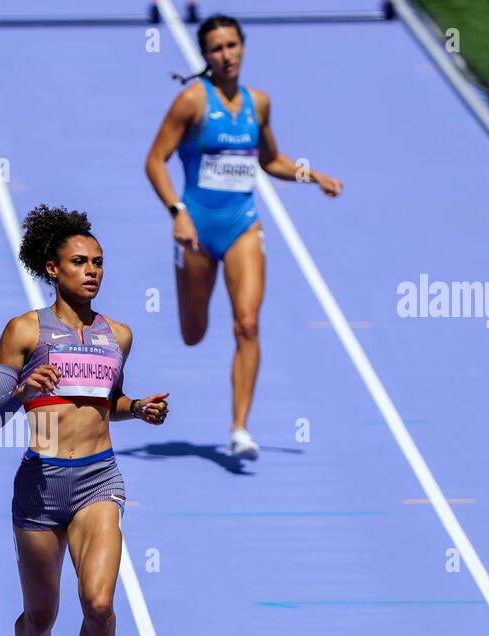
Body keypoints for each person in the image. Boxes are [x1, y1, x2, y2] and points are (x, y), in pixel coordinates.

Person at [0, 205, 169, 636]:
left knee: (101, 604)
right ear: (51, 269)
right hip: (39, 486)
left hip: (97, 482)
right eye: (80, 262)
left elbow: (101, 402)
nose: (93, 271)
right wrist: (19, 390)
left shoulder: (119, 335)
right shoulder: (25, 331)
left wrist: (139, 408)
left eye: (99, 263)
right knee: (41, 618)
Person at [146, 14, 342, 461]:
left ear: (244, 47)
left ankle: (239, 428)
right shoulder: (192, 102)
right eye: (216, 48)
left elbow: (271, 161)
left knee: (248, 323)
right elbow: (155, 161)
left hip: (242, 225)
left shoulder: (260, 103)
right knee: (193, 334)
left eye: (232, 45)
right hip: (196, 229)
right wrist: (177, 212)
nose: (226, 55)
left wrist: (315, 176)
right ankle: (191, 292)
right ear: (205, 55)